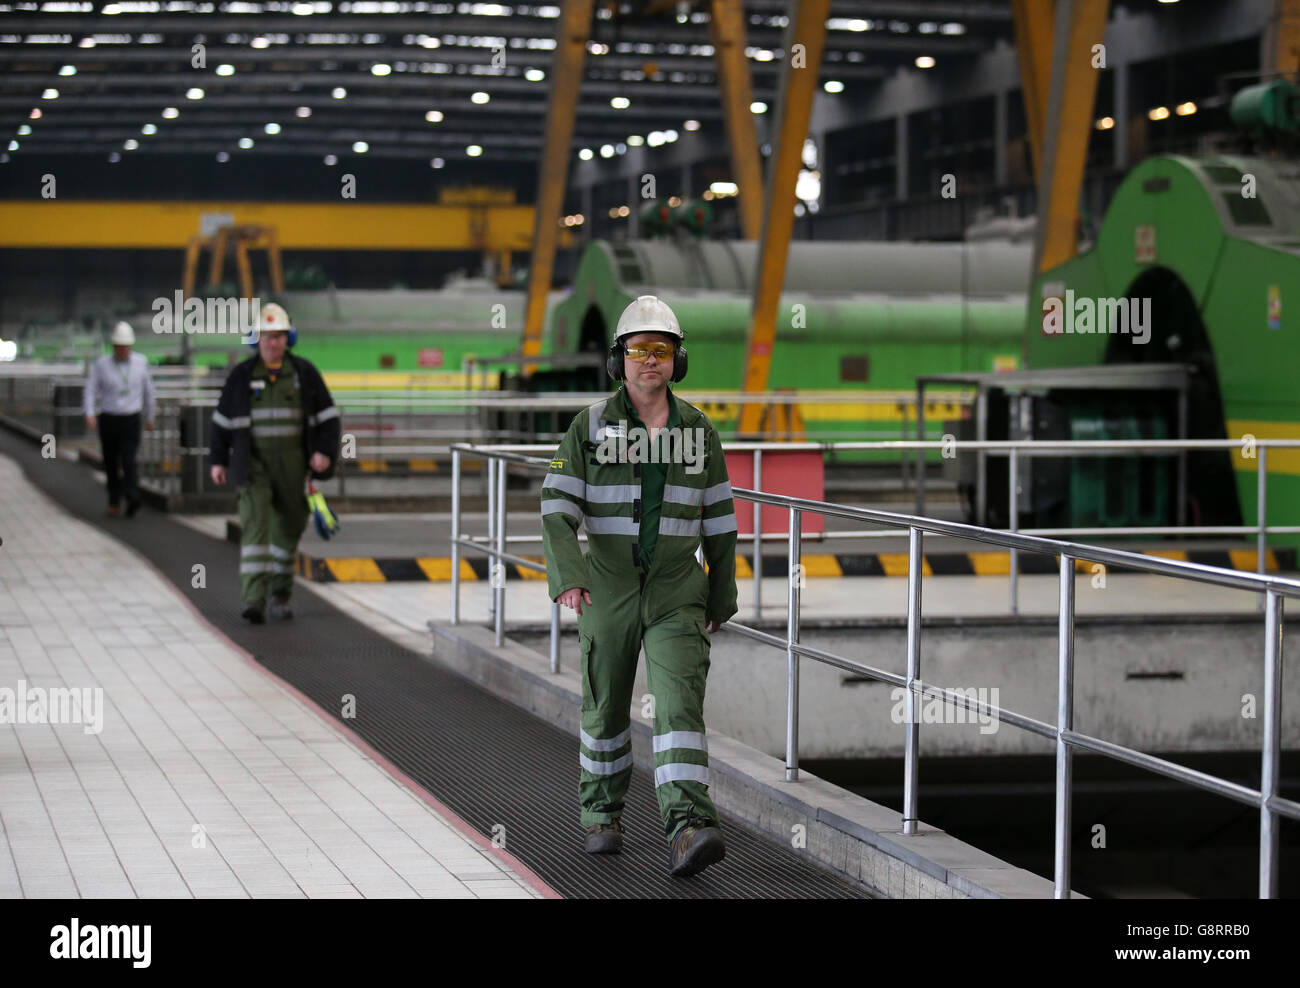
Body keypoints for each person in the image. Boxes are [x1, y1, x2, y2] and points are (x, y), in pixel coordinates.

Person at [541, 294, 738, 877]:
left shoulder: (699, 432)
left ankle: (688, 827)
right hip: (607, 586)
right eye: (638, 350)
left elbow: (721, 522)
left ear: (678, 361)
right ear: (618, 360)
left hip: (679, 587)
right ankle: (601, 814)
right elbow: (556, 508)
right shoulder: (589, 427)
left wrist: (721, 595)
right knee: (605, 706)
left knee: (680, 705)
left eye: (661, 350)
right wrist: (568, 576)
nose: (649, 361)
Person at [208, 302, 340, 624]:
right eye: (266, 337)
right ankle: (253, 599)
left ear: (288, 338)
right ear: (257, 340)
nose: (272, 342)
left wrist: (324, 451)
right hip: (252, 464)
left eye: (278, 336)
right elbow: (220, 423)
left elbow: (329, 419)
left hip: (294, 465)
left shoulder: (304, 374)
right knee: (255, 526)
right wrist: (218, 461)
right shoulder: (241, 377)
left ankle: (279, 595)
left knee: (291, 526)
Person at [82, 321, 156, 518]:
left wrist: (151, 415)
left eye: (125, 346)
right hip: (109, 419)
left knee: (129, 458)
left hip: (131, 419)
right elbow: (90, 389)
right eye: (119, 346)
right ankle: (114, 501)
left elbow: (149, 392)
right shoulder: (102, 365)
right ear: (114, 346)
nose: (122, 350)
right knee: (111, 461)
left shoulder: (141, 363)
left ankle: (132, 494)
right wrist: (89, 412)